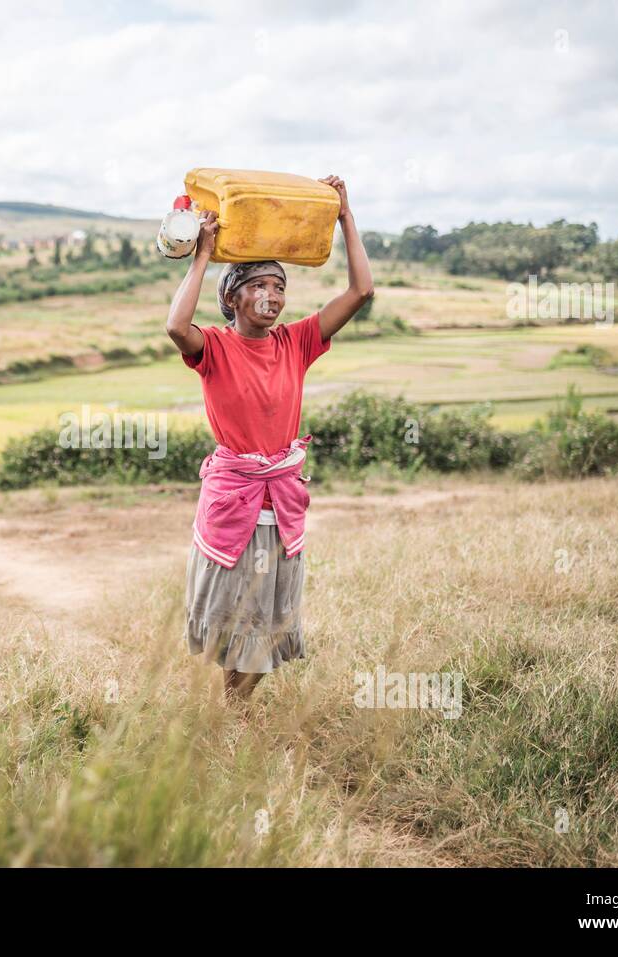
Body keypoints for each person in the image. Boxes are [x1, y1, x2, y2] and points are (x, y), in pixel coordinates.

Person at [164, 175, 374, 704]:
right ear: (231, 298)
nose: (273, 296)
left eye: (280, 286)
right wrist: (202, 255)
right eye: (258, 285)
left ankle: (236, 710)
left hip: (281, 501)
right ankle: (234, 710)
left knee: (270, 620)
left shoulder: (298, 341)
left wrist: (345, 216)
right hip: (235, 498)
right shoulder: (213, 347)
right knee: (236, 617)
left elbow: (360, 291)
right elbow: (175, 325)